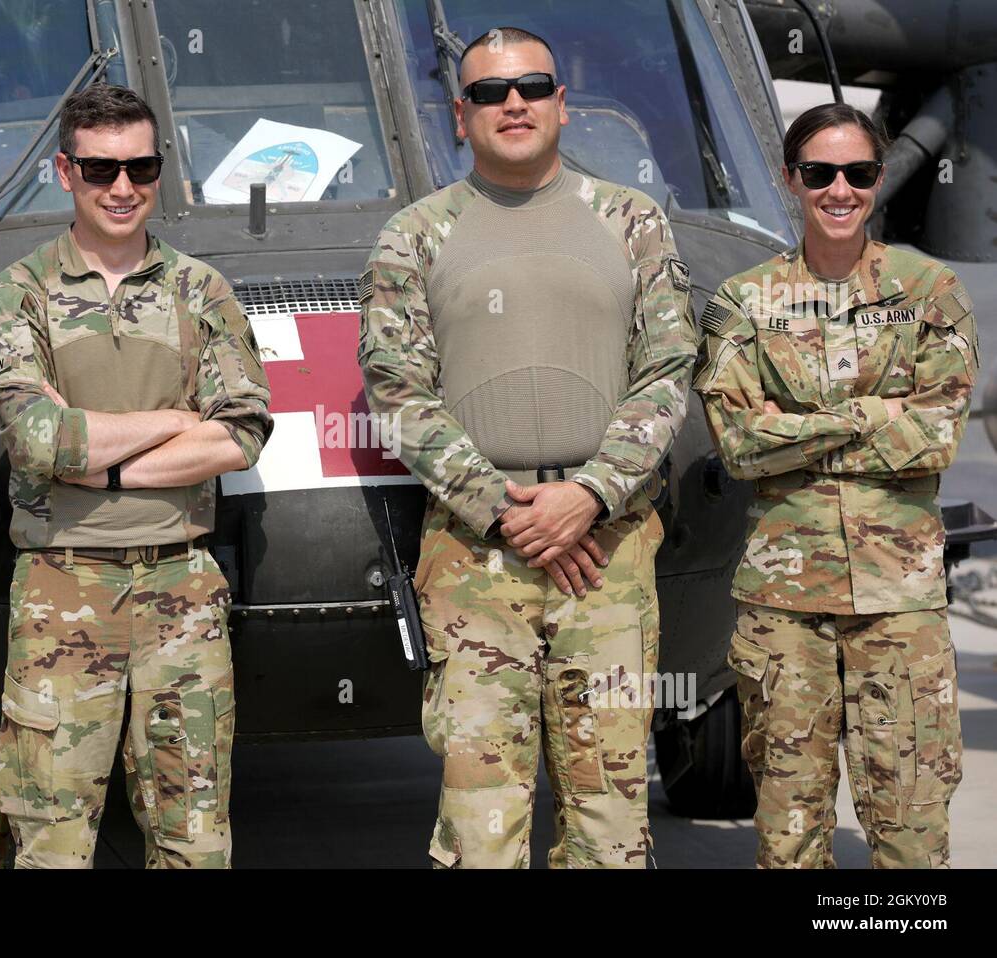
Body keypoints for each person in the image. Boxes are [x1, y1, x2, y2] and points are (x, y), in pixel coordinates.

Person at [358, 26, 696, 868]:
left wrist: (588, 496)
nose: (514, 103)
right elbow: (396, 393)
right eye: (487, 93)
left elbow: (666, 373)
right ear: (458, 116)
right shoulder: (415, 235)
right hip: (476, 557)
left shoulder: (632, 221)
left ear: (563, 104)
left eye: (533, 86)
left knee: (611, 822)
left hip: (607, 551)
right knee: (480, 827)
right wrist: (502, 512)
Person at [0, 84, 272, 868]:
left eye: (140, 166)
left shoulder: (200, 290)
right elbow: (37, 441)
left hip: (182, 586)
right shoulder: (20, 293)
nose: (122, 186)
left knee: (195, 835)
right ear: (64, 171)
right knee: (52, 837)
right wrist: (176, 421)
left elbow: (240, 433)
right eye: (101, 167)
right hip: (59, 588)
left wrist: (99, 466)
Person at [695, 102, 976, 868]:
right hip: (785, 612)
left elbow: (937, 435)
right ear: (793, 180)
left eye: (857, 173)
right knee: (789, 835)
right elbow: (741, 448)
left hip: (900, 608)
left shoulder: (929, 290)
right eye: (820, 174)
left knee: (913, 834)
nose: (840, 190)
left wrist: (802, 429)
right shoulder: (741, 303)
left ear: (879, 181)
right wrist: (869, 417)